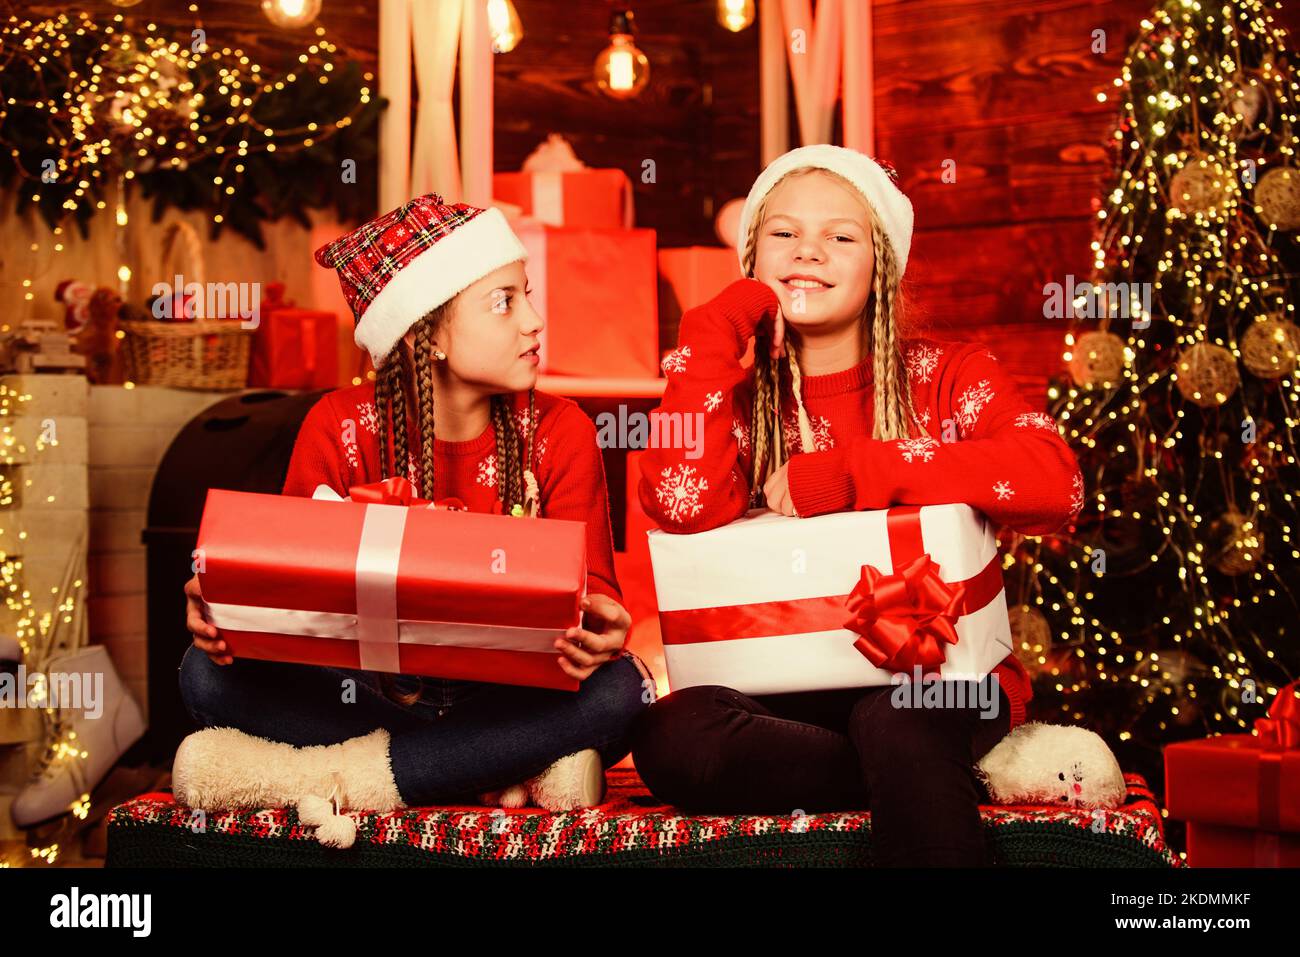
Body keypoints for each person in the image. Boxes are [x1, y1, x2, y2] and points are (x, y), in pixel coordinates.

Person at [629, 145, 1084, 865]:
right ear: (751, 257)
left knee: (899, 721)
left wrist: (853, 472)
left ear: (882, 267)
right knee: (670, 732)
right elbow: (680, 503)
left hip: (939, 683)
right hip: (786, 695)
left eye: (842, 236)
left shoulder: (946, 374)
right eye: (782, 234)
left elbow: (1055, 481)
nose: (808, 250)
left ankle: (906, 765)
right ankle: (901, 779)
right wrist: (711, 336)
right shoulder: (738, 407)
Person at [174, 195, 654, 816]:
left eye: (527, 294)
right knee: (203, 673)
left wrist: (602, 627)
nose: (534, 321)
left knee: (624, 688)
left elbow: (595, 598)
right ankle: (497, 768)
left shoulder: (561, 430)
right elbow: (285, 602)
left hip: (507, 698)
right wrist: (227, 605)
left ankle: (333, 777)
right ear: (429, 336)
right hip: (365, 697)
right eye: (505, 301)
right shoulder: (337, 425)